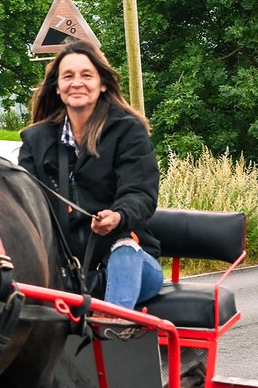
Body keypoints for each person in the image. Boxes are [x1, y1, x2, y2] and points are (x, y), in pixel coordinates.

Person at [18, 40, 163, 311]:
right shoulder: (35, 140)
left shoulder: (128, 131)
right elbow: (23, 197)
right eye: (68, 76)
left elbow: (140, 192)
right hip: (66, 268)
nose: (77, 83)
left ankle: (111, 331)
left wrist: (118, 216)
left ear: (102, 84)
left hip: (129, 262)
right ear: (57, 87)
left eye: (86, 75)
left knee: (123, 250)